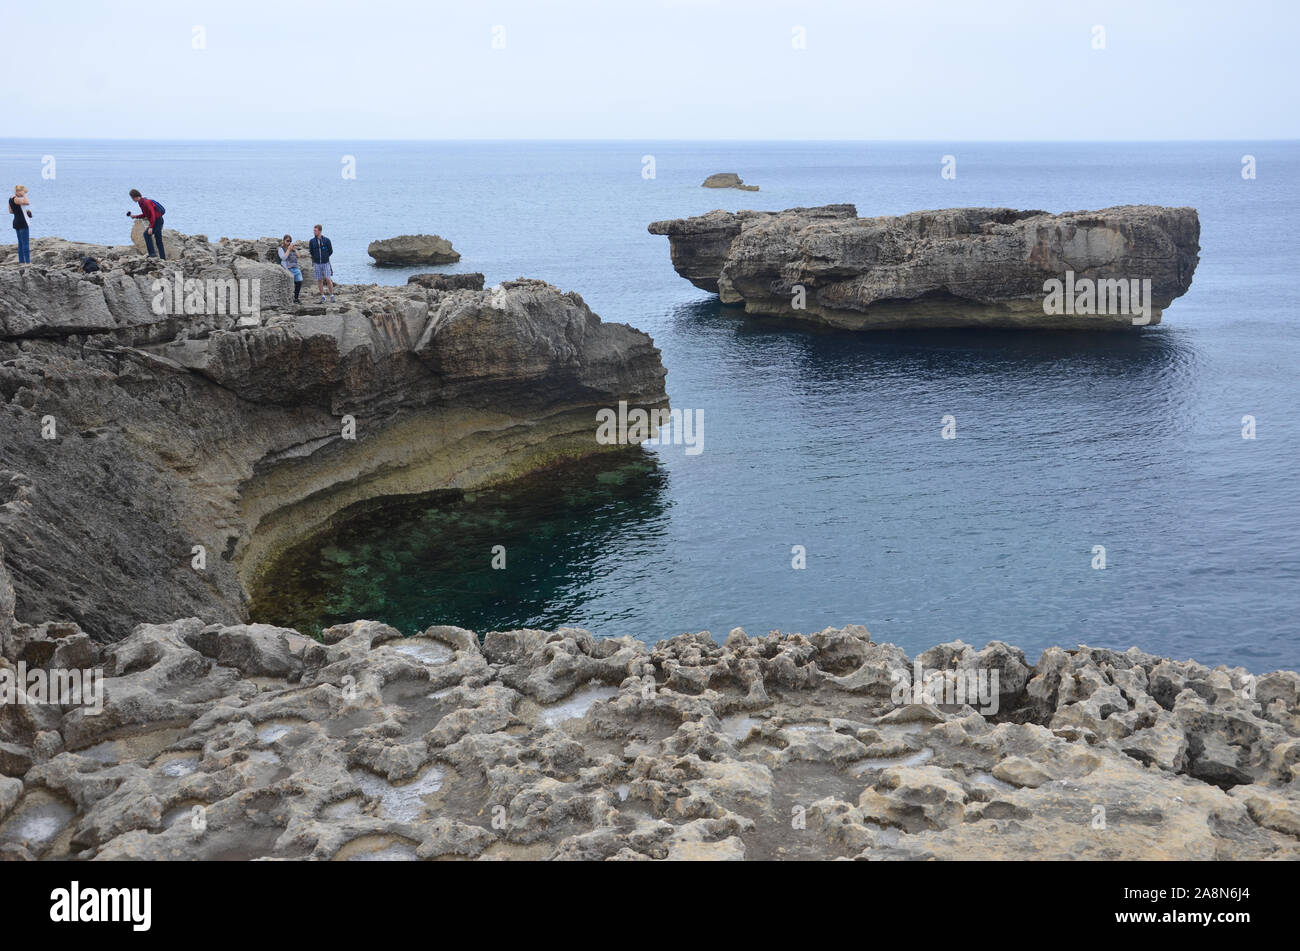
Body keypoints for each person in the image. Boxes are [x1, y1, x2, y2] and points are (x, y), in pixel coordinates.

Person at [127, 189, 166, 260]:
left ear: (134, 197)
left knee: (146, 234)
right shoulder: (141, 203)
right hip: (157, 221)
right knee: (158, 240)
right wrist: (135, 216)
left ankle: (152, 254)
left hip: (157, 221)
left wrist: (151, 227)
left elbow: (153, 214)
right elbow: (146, 214)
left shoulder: (146, 202)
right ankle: (163, 258)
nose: (132, 200)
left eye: (132, 198)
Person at [308, 224, 336, 302]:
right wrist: (315, 258)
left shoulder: (326, 240)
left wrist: (325, 256)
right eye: (314, 230)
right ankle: (323, 296)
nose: (314, 232)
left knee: (328, 278)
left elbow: (330, 251)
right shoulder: (312, 241)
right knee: (319, 279)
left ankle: (332, 295)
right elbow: (311, 252)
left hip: (325, 262)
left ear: (320, 231)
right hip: (317, 263)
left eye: (315, 230)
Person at [278, 234, 303, 303]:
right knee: (290, 284)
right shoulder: (281, 249)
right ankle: (290, 298)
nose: (289, 242)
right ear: (284, 241)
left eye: (290, 241)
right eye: (287, 241)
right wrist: (288, 250)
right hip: (287, 268)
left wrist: (295, 250)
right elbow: (283, 258)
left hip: (295, 267)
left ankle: (296, 298)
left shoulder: (292, 248)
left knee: (299, 281)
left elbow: (299, 256)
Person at [10, 185, 31, 264]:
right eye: (23, 192)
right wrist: (24, 195)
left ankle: (21, 262)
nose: (24, 194)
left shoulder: (10, 199)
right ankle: (28, 263)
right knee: (25, 243)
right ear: (19, 191)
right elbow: (27, 202)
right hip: (23, 223)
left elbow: (11, 211)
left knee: (20, 243)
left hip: (16, 222)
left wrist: (25, 212)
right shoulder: (17, 199)